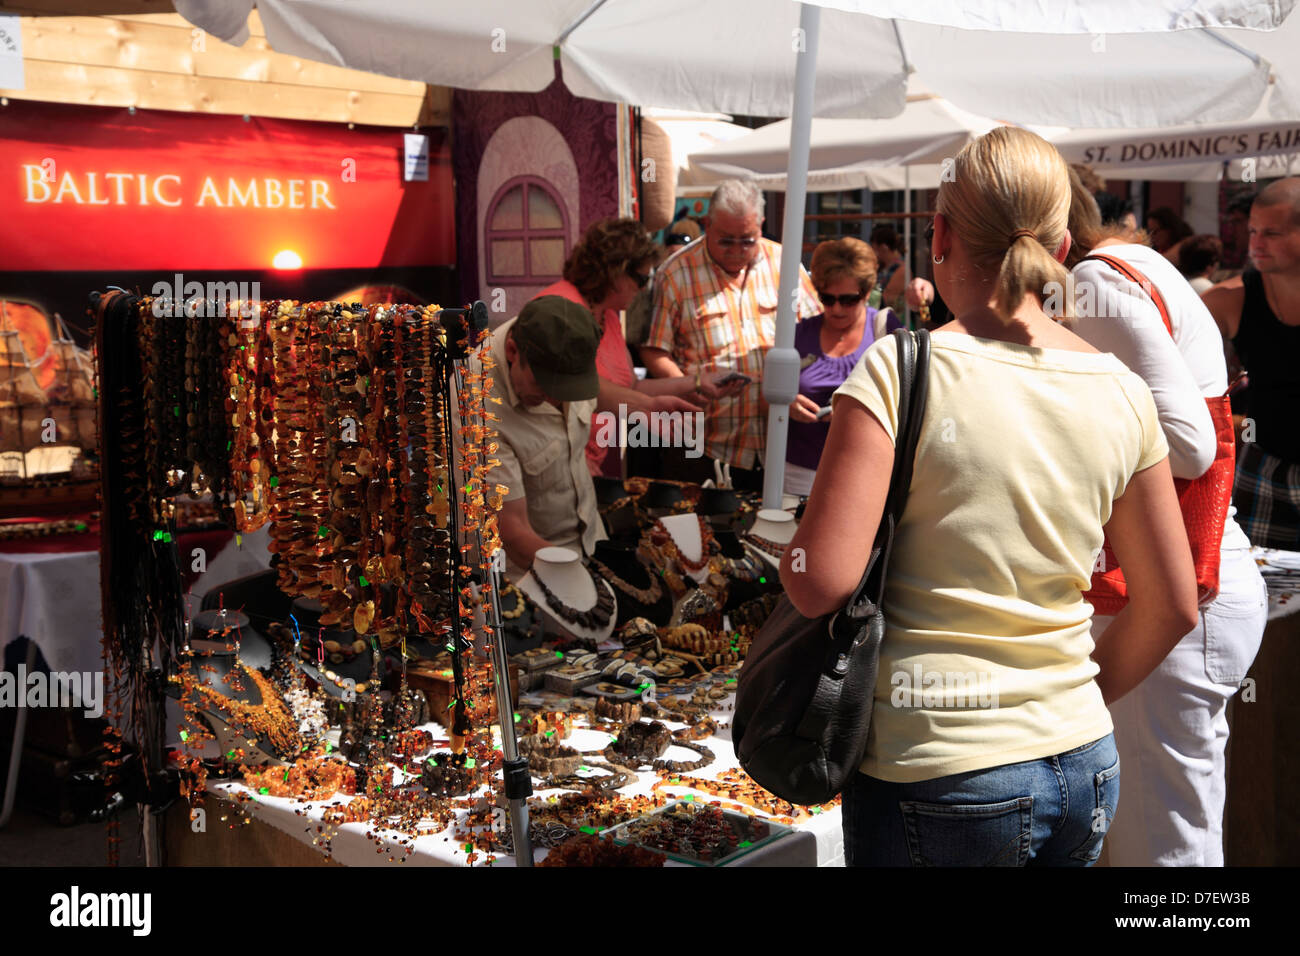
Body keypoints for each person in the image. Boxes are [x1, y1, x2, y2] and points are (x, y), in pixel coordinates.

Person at [781, 126, 1198, 867]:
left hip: (938, 766)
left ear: (939, 234)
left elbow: (821, 583)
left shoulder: (898, 368)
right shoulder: (1122, 389)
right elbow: (1171, 604)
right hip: (1080, 758)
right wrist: (1068, 701)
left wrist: (791, 549)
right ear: (1063, 247)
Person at [1065, 168, 1267, 866]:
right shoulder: (1124, 263)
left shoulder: (1090, 280)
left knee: (1160, 844)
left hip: (1176, 594)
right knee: (1169, 830)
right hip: (1189, 588)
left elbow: (1188, 444)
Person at [642, 179, 820, 487]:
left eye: (747, 240)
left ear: (761, 226)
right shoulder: (675, 273)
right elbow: (655, 350)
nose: (737, 250)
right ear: (707, 224)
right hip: (705, 446)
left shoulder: (786, 264)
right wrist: (689, 387)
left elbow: (818, 335)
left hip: (784, 447)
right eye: (726, 240)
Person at [535, 218, 732, 478]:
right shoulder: (561, 308)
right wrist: (567, 458)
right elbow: (544, 400)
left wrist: (696, 383)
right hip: (553, 465)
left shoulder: (609, 316)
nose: (642, 289)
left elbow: (629, 387)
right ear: (615, 271)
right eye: (641, 279)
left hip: (584, 462)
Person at [474, 296, 608, 575]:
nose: (553, 398)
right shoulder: (478, 403)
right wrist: (582, 581)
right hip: (529, 576)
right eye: (543, 385)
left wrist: (650, 405)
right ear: (512, 351)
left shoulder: (552, 336)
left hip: (590, 545)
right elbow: (514, 534)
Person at [1203, 177, 1300, 550]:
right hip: (1264, 462)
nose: (1256, 244)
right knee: (1263, 588)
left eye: (1272, 234)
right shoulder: (1230, 300)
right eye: (1254, 231)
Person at [785, 237, 901, 497]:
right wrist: (787, 404)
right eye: (827, 298)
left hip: (867, 469)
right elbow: (769, 399)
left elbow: (908, 398)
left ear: (867, 291)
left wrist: (856, 413)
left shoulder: (886, 328)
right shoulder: (797, 335)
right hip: (800, 471)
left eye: (848, 300)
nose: (836, 308)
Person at [868, 225, 906, 312]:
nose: (873, 252)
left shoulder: (901, 269)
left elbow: (886, 299)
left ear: (884, 247)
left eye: (874, 248)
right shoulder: (883, 267)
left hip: (893, 320)